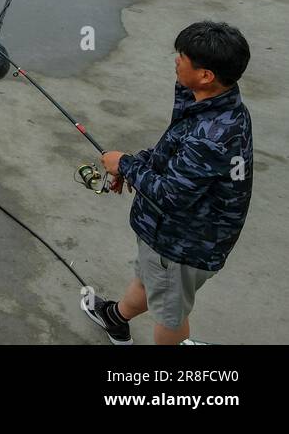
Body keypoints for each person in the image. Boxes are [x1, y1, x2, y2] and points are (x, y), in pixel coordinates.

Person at [82, 21, 253, 345]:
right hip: (174, 239)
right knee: (150, 282)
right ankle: (114, 318)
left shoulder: (212, 135)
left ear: (206, 75)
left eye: (183, 57)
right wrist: (140, 164)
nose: (176, 60)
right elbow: (175, 153)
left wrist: (125, 164)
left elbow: (170, 195)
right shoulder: (220, 104)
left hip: (181, 246)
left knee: (170, 318)